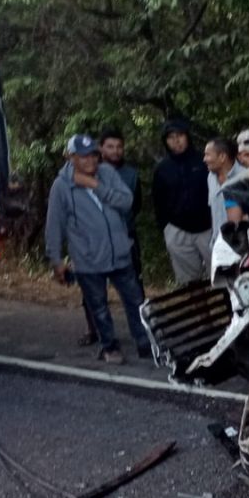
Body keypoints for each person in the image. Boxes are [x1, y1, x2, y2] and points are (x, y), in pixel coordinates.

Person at [45, 134, 150, 364]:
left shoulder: (107, 173)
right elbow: (54, 225)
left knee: (135, 301)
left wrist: (96, 186)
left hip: (119, 252)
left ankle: (145, 343)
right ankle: (109, 347)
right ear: (71, 157)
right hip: (88, 259)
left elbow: (126, 201)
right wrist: (56, 260)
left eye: (93, 155)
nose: (90, 161)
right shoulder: (61, 186)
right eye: (83, 156)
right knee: (99, 307)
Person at [152, 118, 212, 284]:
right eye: (171, 137)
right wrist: (166, 227)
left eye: (179, 135)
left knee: (222, 274)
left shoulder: (204, 160)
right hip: (178, 230)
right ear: (166, 141)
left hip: (209, 227)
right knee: (190, 282)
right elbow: (158, 201)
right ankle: (197, 302)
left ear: (187, 136)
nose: (176, 141)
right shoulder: (162, 169)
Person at [99, 128, 143, 284]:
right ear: (101, 148)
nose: (115, 151)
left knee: (134, 283)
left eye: (119, 147)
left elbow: (136, 205)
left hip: (126, 235)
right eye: (110, 147)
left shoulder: (131, 174)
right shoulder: (90, 172)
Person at [204, 136, 242, 245]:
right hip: (218, 243)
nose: (204, 159)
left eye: (207, 155)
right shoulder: (211, 177)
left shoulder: (244, 178)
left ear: (222, 157)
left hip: (239, 244)